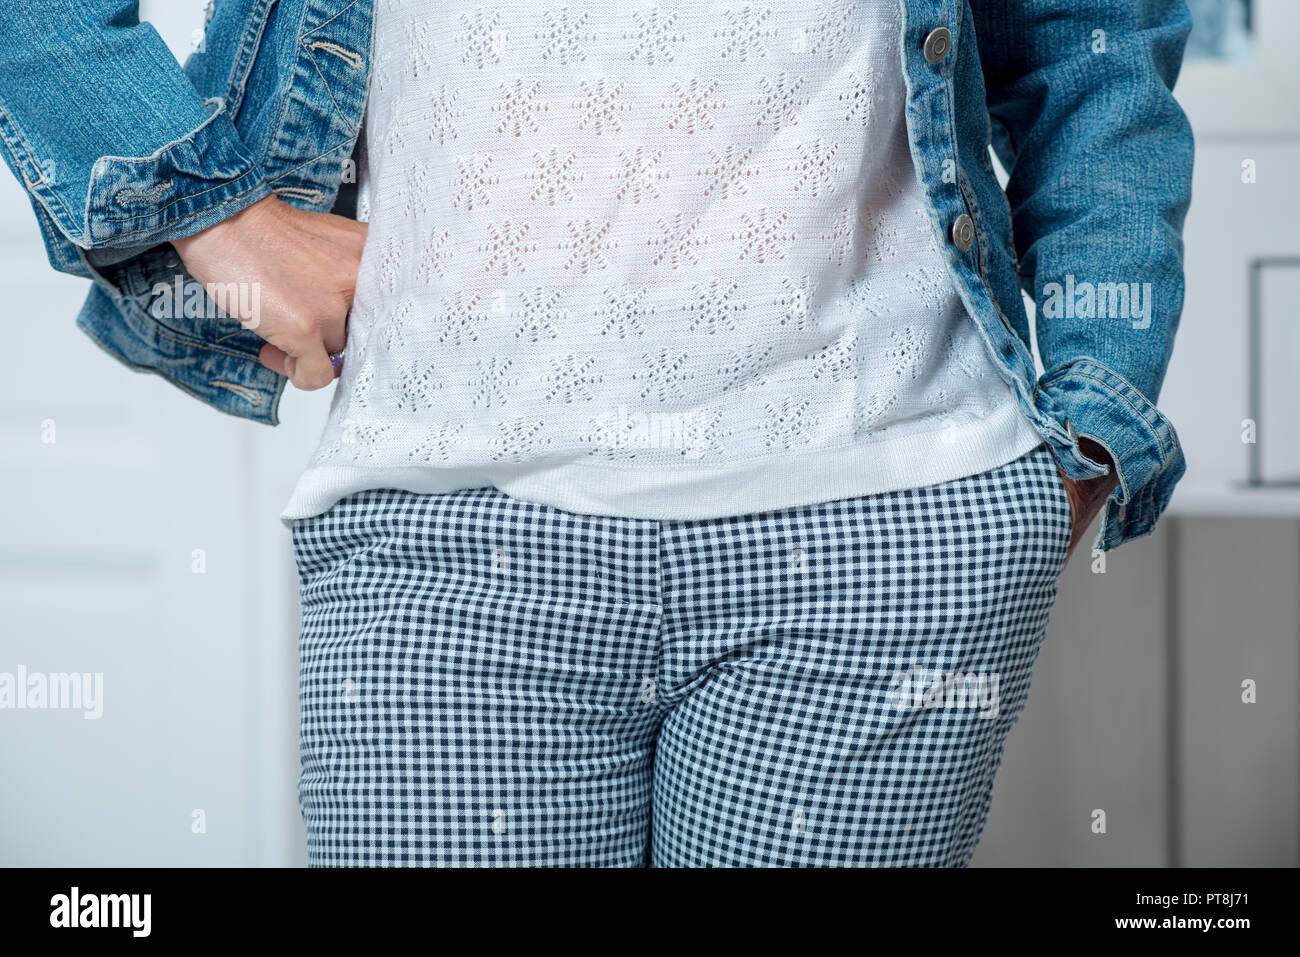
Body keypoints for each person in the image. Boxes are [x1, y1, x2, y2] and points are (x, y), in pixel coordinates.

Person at [0, 0, 1194, 866]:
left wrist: (1092, 429)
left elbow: (1090, 49)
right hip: (444, 538)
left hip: (880, 530)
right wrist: (212, 218)